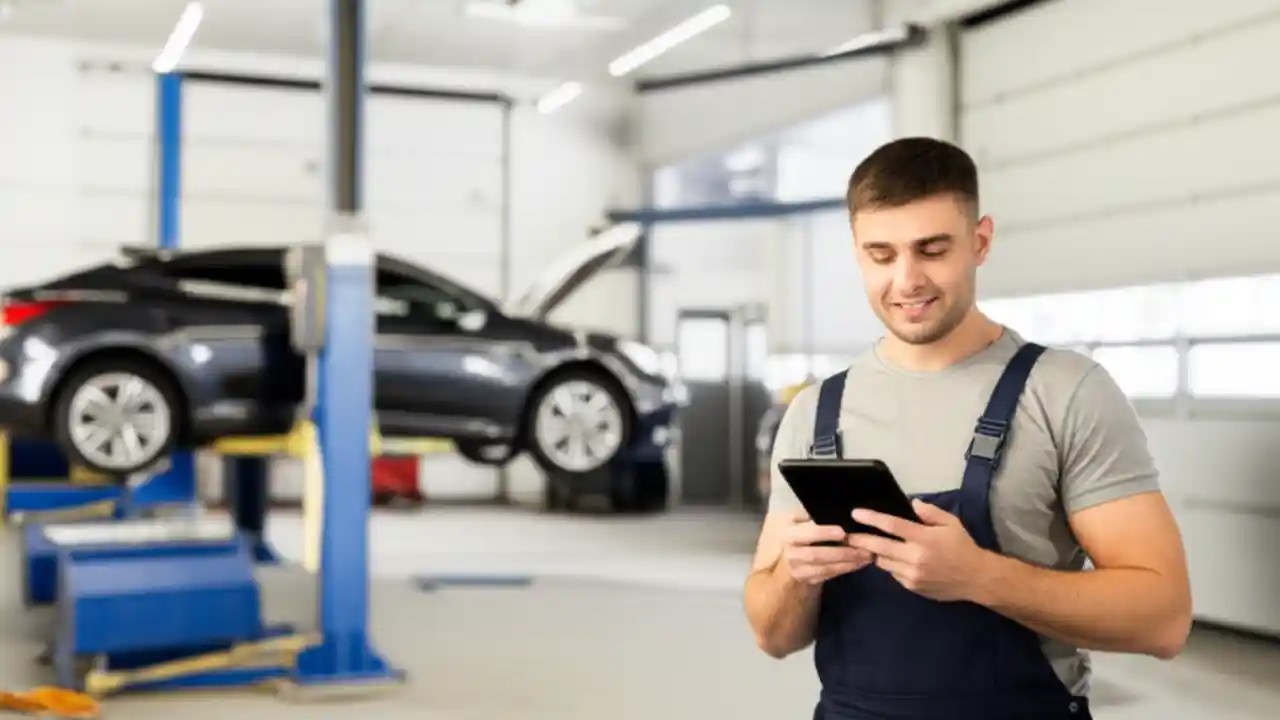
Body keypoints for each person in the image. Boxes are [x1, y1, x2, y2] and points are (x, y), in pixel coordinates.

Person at [741, 137, 1192, 720]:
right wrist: (796, 577)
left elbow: (1163, 620)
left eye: (932, 250)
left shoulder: (1066, 392)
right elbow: (772, 636)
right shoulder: (815, 412)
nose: (907, 280)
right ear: (856, 252)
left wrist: (979, 577)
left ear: (980, 242)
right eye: (881, 255)